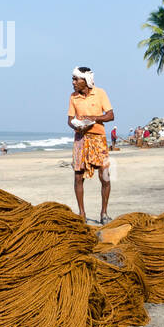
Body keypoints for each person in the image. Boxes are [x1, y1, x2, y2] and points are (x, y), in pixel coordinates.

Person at [67, 66, 114, 223]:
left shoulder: (100, 93)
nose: (73, 82)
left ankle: (104, 213)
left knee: (105, 177)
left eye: (76, 79)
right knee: (78, 177)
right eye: (73, 79)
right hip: (80, 139)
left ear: (85, 81)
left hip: (98, 139)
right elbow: (70, 120)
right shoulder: (73, 97)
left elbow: (110, 115)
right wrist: (77, 126)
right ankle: (82, 214)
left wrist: (94, 118)